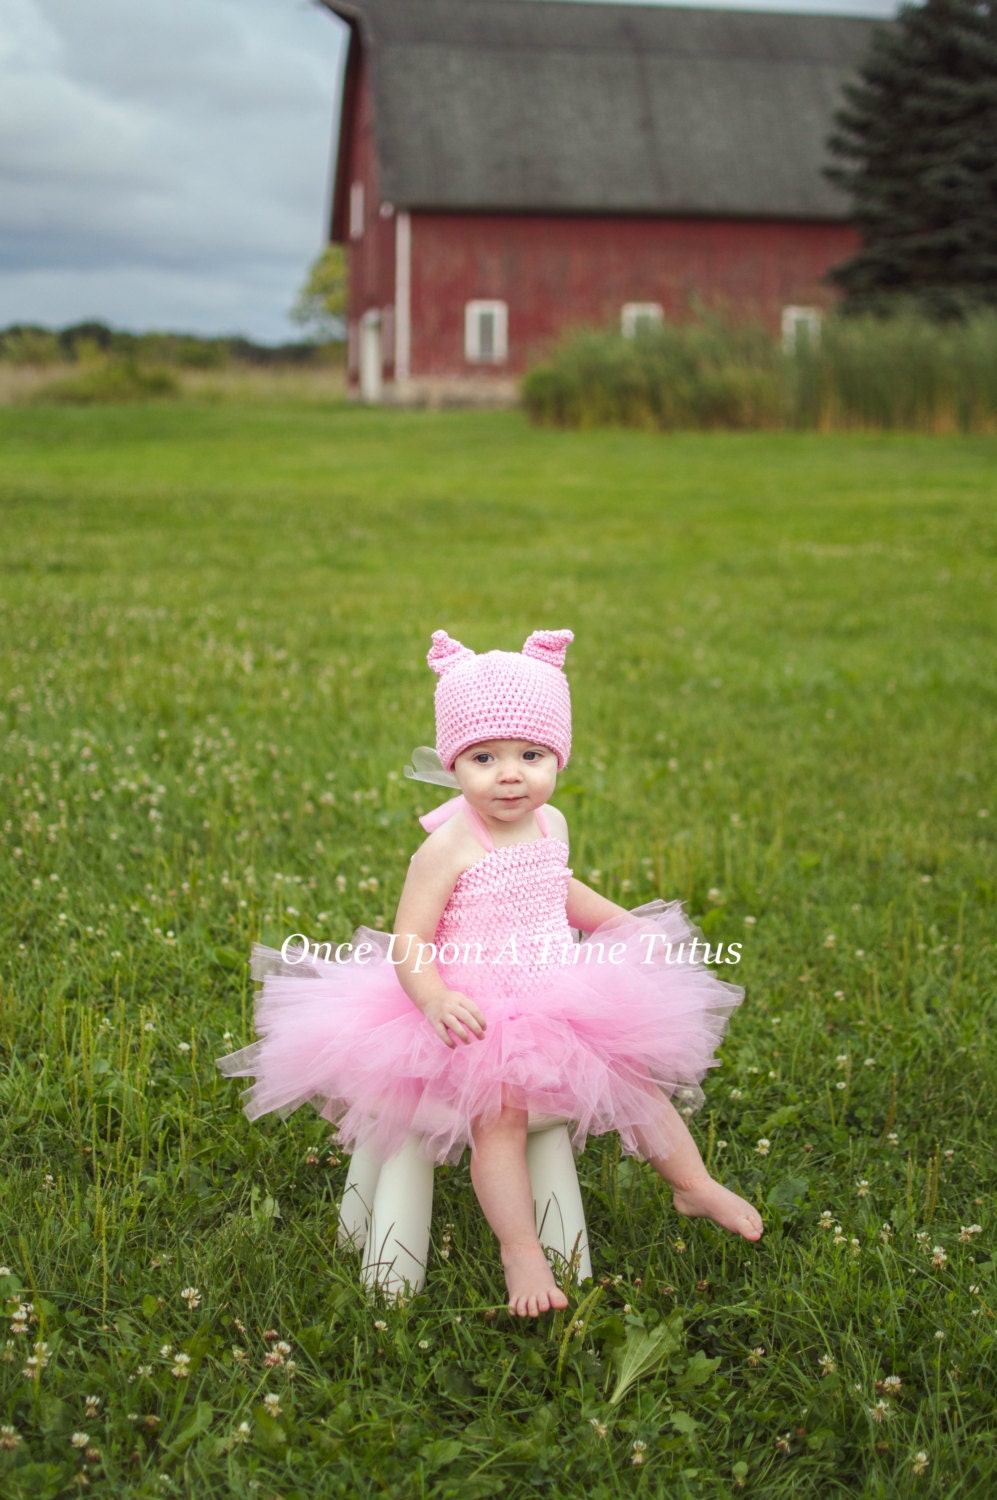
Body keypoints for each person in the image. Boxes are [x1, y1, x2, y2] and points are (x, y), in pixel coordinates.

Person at [217, 628, 762, 1317]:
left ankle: (691, 1183)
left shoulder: (549, 824)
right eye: (484, 757)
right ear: (453, 765)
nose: (510, 774)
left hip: (553, 990)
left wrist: (622, 923)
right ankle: (520, 1249)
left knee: (633, 1079)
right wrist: (435, 996)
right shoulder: (447, 847)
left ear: (556, 757)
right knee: (499, 1114)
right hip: (469, 1003)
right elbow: (408, 939)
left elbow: (556, 888)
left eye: (531, 755)